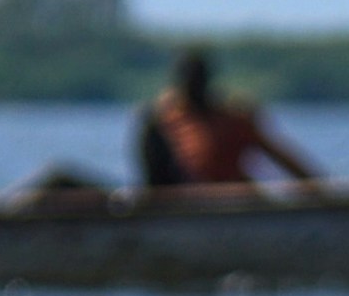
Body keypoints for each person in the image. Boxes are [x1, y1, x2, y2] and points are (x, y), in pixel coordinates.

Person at [133, 46, 322, 191]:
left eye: (198, 81)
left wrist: (319, 188)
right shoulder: (163, 119)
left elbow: (281, 157)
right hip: (182, 200)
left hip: (229, 199)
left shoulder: (233, 119)